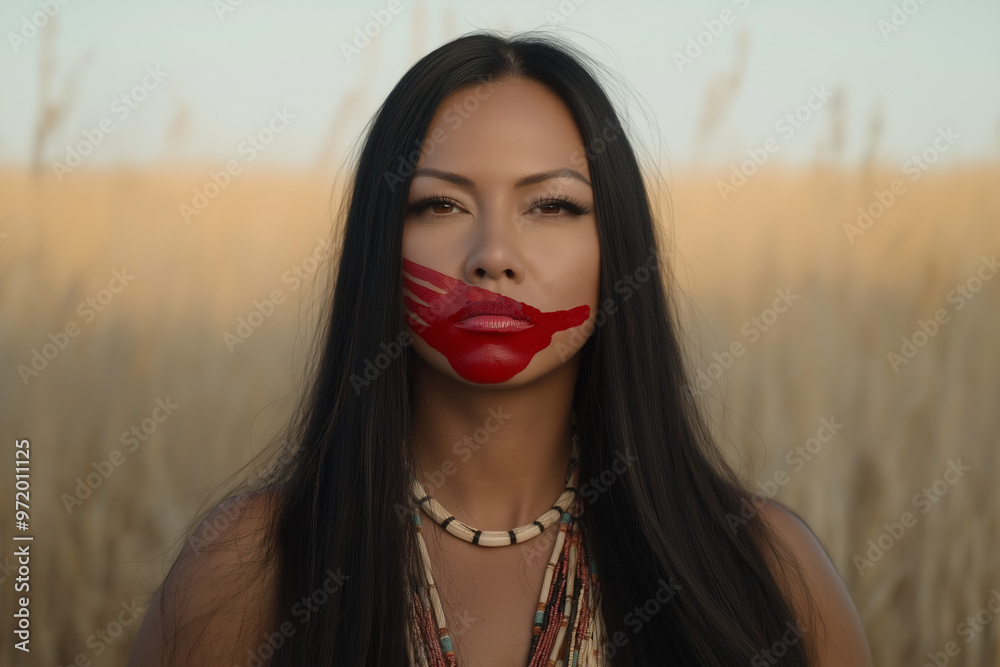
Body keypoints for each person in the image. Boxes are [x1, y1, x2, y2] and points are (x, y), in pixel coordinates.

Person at [128, 30, 872, 666]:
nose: (493, 256)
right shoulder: (248, 570)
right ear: (378, 246)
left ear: (617, 246)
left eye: (551, 205)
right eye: (440, 204)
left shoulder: (767, 569)